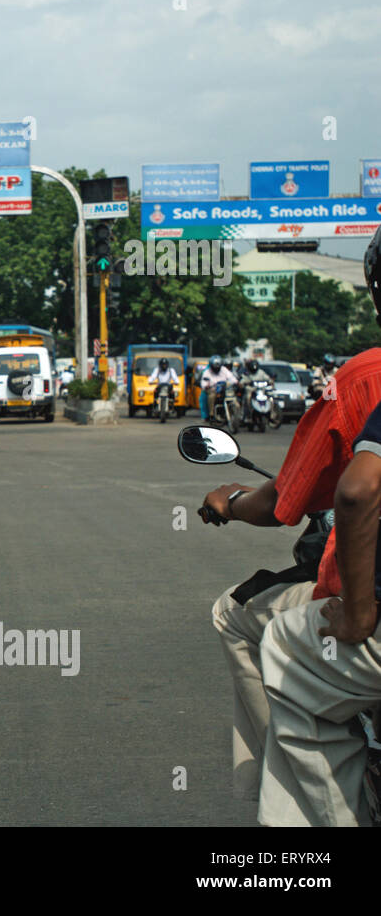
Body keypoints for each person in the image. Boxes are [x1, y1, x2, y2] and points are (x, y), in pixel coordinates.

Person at [207, 226, 381, 813]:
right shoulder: (247, 381)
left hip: (371, 619)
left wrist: (229, 503)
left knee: (250, 624)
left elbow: (291, 502)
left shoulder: (359, 380)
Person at [200, 356, 235, 422]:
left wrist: (236, 382)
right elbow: (203, 382)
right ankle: (211, 414)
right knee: (211, 396)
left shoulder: (224, 370)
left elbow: (232, 378)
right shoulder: (207, 371)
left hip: (225, 390)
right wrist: (206, 385)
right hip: (213, 389)